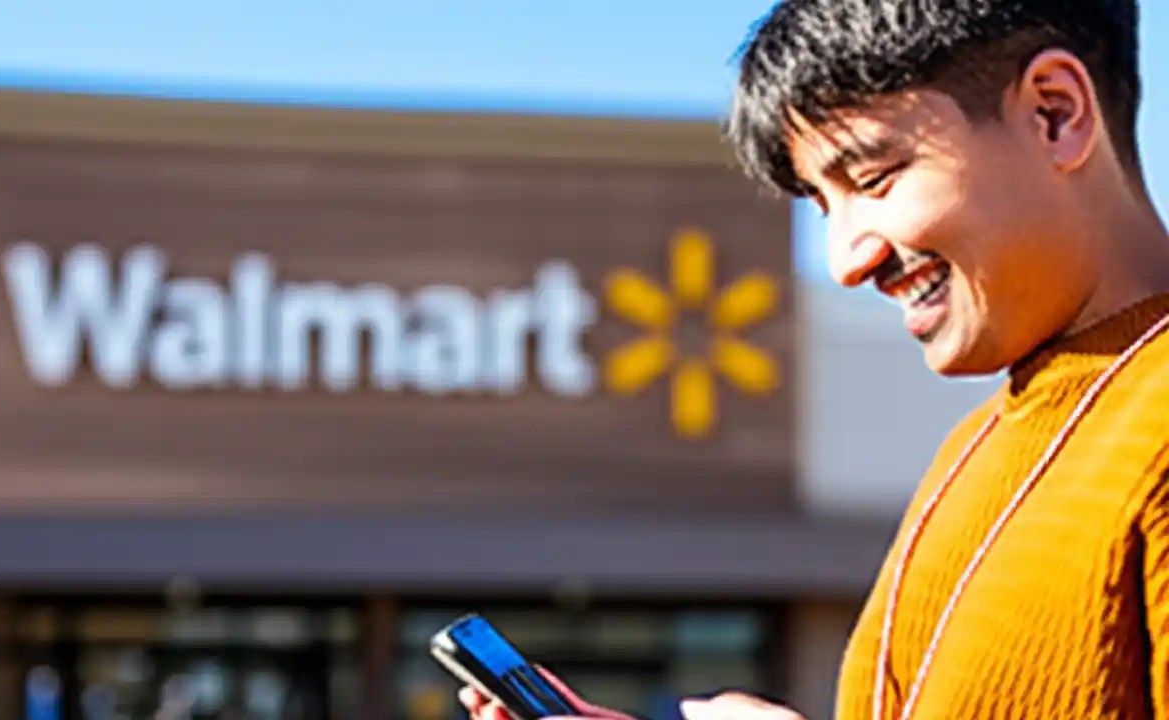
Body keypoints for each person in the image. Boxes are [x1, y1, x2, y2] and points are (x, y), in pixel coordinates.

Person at [462, 0, 1169, 718]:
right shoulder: (977, 448)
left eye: (874, 178)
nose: (847, 261)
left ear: (1055, 114)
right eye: (824, 206)